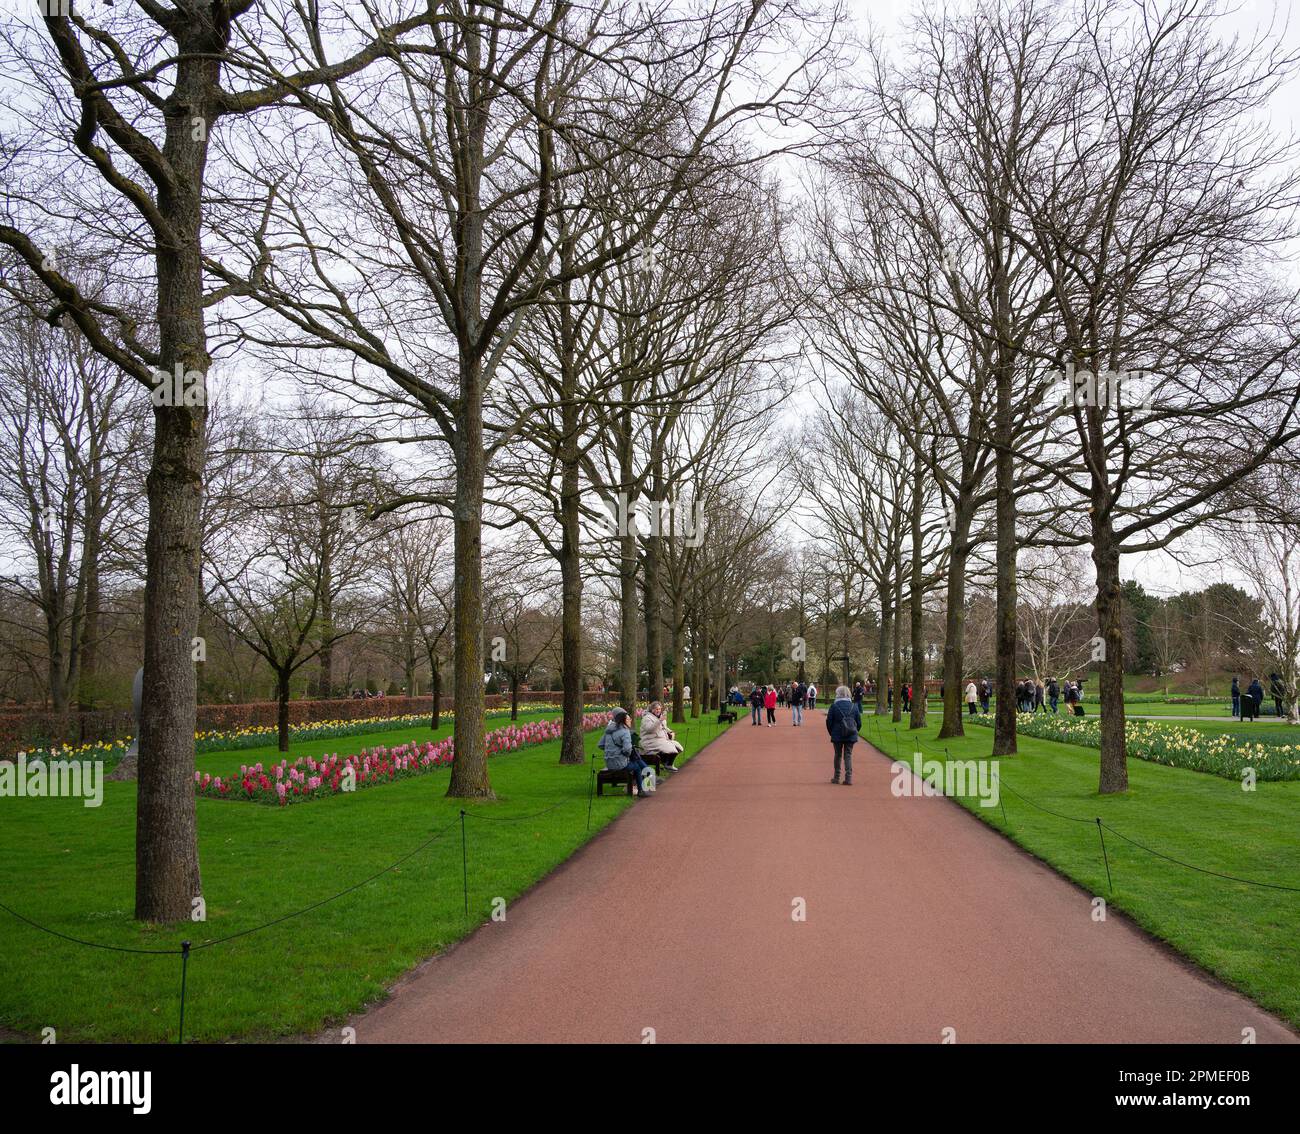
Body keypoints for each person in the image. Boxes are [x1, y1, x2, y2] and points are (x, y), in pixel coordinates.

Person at [598, 708, 652, 798]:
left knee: (636, 761)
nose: (630, 720)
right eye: (628, 719)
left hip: (608, 762)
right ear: (623, 720)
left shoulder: (608, 731)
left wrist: (611, 750)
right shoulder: (625, 731)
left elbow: (600, 745)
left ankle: (648, 778)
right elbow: (627, 750)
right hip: (620, 763)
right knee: (637, 767)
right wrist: (622, 752)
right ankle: (641, 790)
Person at [826, 685, 861, 785]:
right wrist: (854, 731)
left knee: (838, 755)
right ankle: (848, 778)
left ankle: (836, 777)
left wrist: (832, 732)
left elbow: (829, 722)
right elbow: (859, 723)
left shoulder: (834, 706)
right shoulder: (854, 706)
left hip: (837, 734)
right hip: (851, 734)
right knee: (848, 755)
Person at [640, 701, 684, 771]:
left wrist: (670, 731)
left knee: (679, 747)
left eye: (659, 709)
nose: (658, 711)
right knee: (672, 749)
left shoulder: (660, 717)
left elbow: (664, 727)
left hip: (660, 740)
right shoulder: (647, 718)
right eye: (656, 709)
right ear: (652, 709)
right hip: (650, 742)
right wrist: (659, 721)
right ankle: (668, 765)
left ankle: (666, 763)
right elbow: (649, 729)